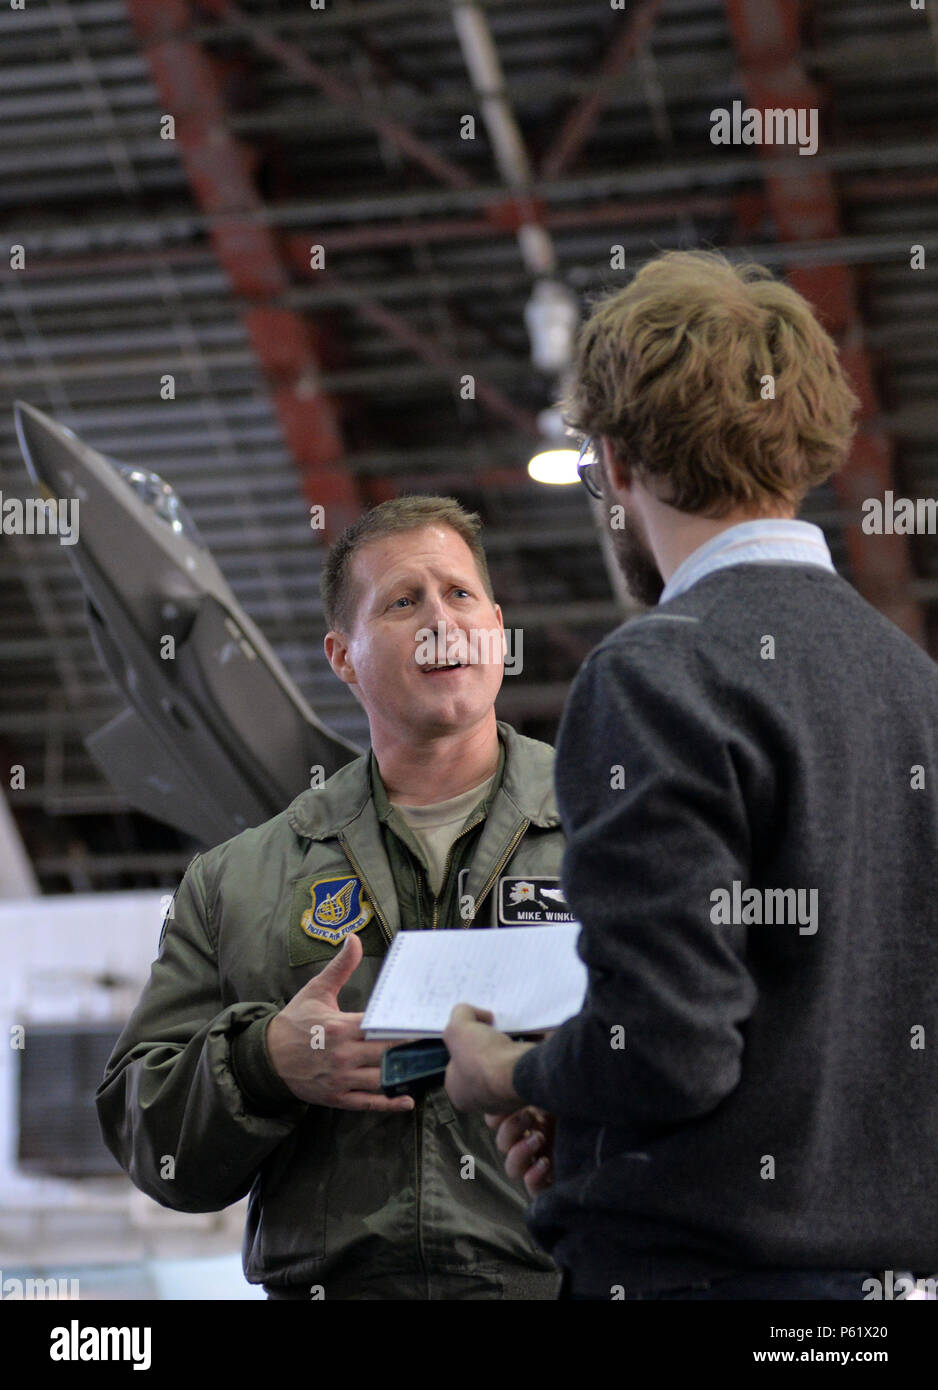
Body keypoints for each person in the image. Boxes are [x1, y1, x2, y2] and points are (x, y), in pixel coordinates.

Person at [443, 248, 938, 1301]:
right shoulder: (911, 683)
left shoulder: (655, 671)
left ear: (616, 462)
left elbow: (671, 1046)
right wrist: (588, 1120)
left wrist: (512, 1073)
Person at [96, 495, 571, 1300]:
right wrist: (261, 1063)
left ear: (497, 625)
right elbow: (146, 1135)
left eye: (459, 595)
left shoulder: (618, 834)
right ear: (342, 657)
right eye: (401, 601)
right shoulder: (236, 881)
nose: (438, 621)